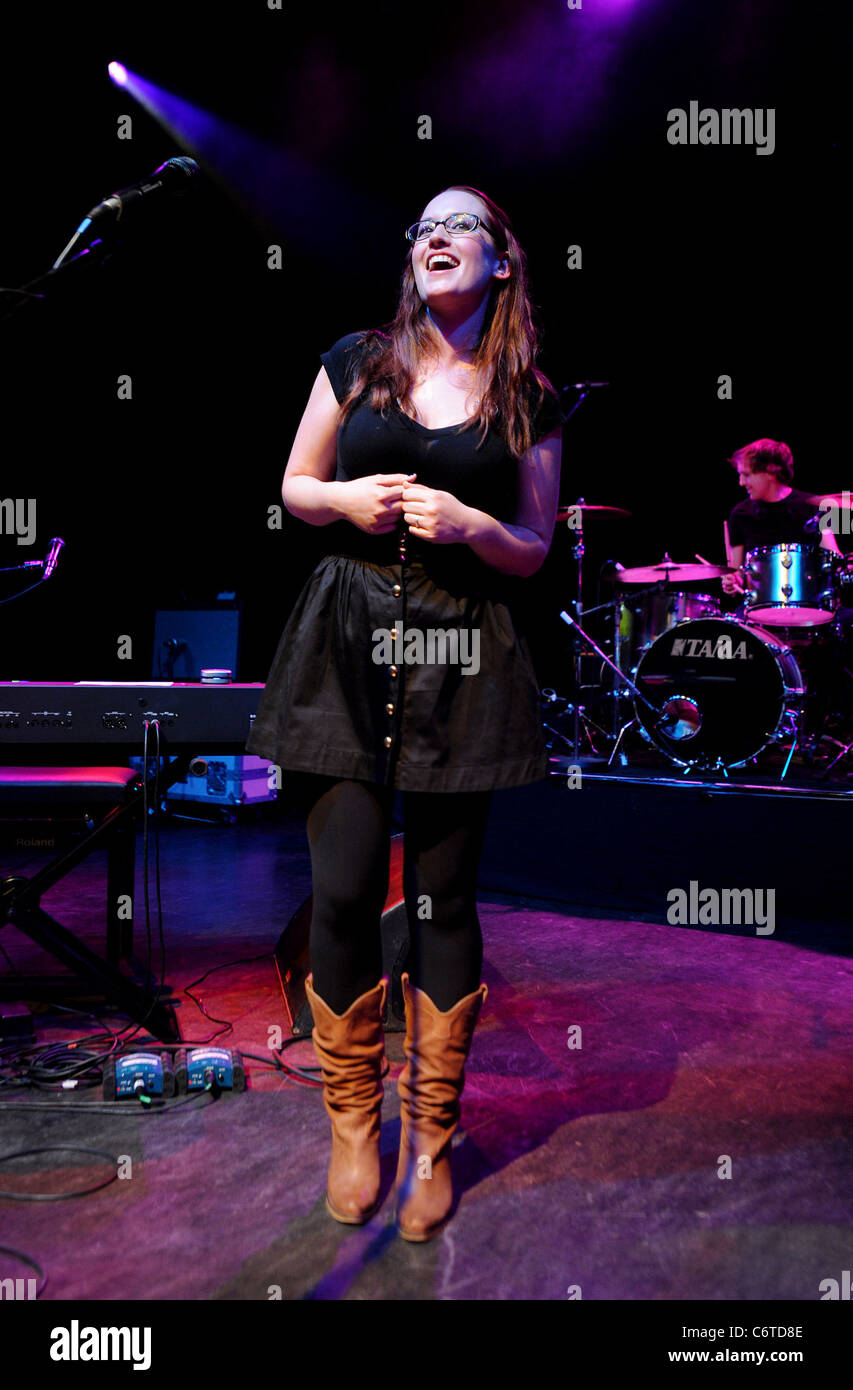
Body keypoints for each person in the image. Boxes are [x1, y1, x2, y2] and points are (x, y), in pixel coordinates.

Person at [246, 184, 563, 1241]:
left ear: (502, 261)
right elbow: (294, 482)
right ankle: (351, 1124)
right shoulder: (354, 359)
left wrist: (474, 522)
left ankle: (430, 1135)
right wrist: (341, 499)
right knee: (338, 893)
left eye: (458, 224)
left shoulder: (527, 393)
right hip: (341, 640)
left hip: (460, 649)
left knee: (441, 900)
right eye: (421, 225)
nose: (433, 236)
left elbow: (534, 545)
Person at [722, 437, 839, 596]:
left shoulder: (814, 507)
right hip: (758, 608)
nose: (741, 482)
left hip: (807, 605)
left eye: (746, 475)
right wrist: (733, 582)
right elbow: (737, 573)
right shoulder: (740, 514)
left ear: (770, 471)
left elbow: (834, 558)